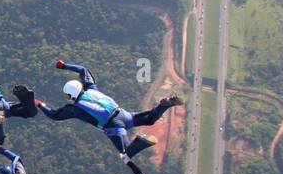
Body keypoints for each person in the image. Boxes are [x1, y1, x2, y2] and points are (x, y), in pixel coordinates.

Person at [40, 59, 182, 158]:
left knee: (125, 153)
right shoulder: (91, 89)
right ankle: (163, 106)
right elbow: (83, 70)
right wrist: (64, 66)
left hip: (113, 126)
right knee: (150, 119)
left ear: (71, 95)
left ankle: (140, 141)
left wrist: (39, 104)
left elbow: (54, 115)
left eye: (66, 95)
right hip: (123, 114)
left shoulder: (75, 108)